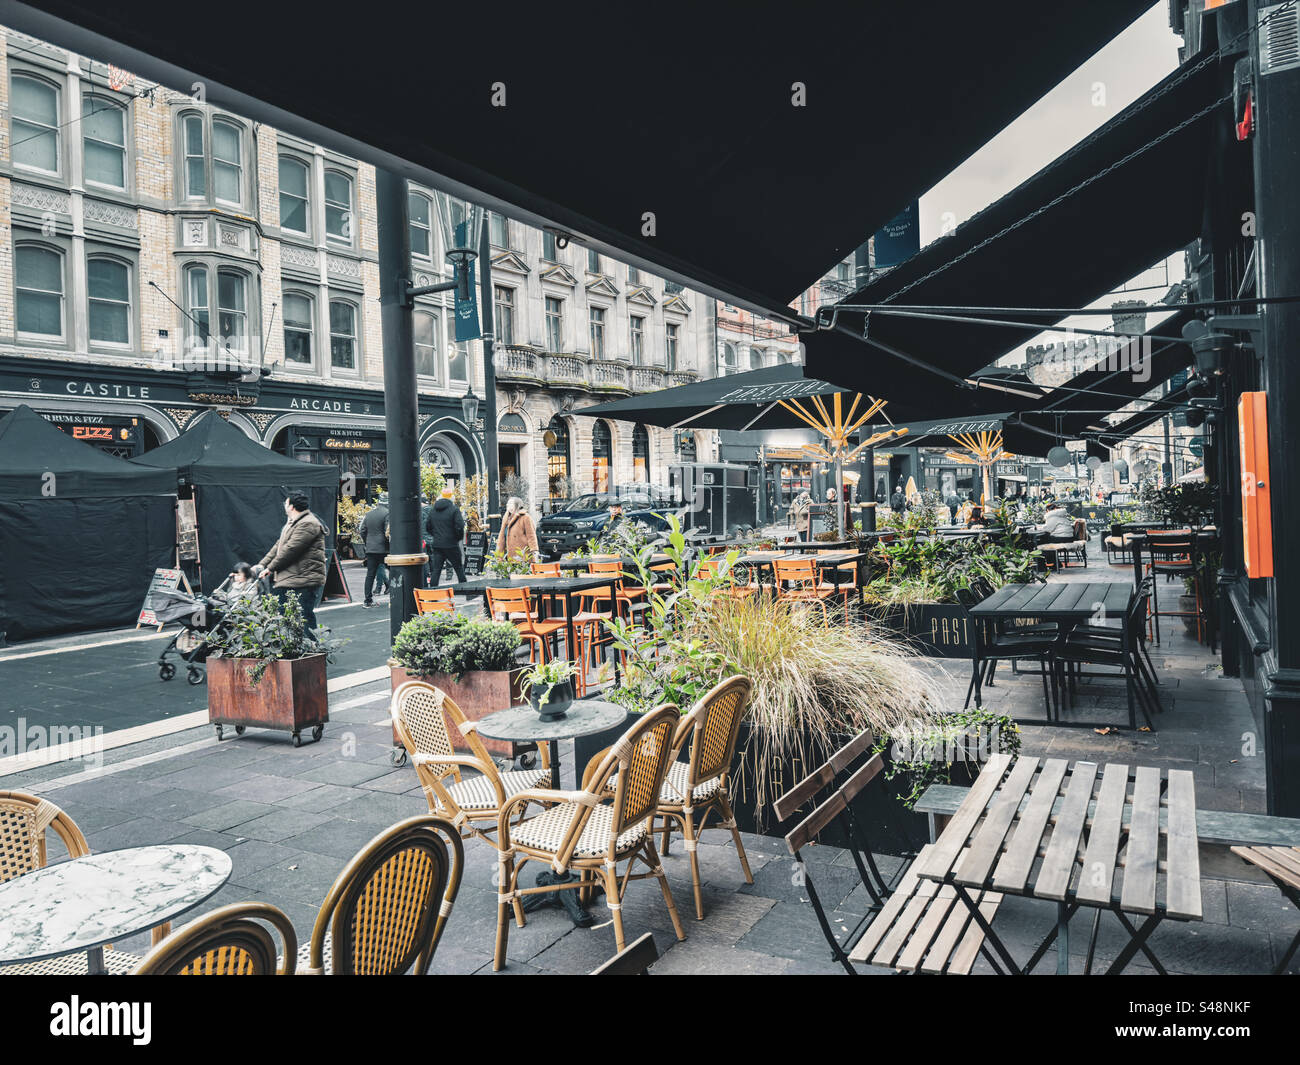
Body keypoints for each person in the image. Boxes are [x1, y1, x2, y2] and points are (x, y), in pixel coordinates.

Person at [254, 491, 327, 629]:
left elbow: (290, 550)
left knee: (303, 618)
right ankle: (300, 648)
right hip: (292, 579)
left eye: (285, 503)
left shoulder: (308, 524)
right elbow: (278, 546)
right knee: (286, 618)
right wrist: (261, 564)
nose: (284, 506)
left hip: (303, 579)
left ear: (291, 506)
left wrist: (269, 568)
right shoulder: (293, 523)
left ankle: (313, 648)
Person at [423, 486, 466, 587]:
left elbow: (428, 526)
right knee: (459, 569)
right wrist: (457, 538)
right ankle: (466, 590)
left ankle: (433, 593)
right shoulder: (454, 510)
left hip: (437, 544)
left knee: (436, 570)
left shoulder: (433, 510)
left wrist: (436, 535)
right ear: (452, 497)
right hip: (451, 544)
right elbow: (460, 527)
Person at [358, 492, 390, 607]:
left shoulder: (369, 514)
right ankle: (397, 597)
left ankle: (367, 600)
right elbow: (388, 532)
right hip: (385, 549)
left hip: (371, 548)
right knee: (395, 570)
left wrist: (368, 542)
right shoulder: (388, 513)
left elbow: (362, 530)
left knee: (370, 575)